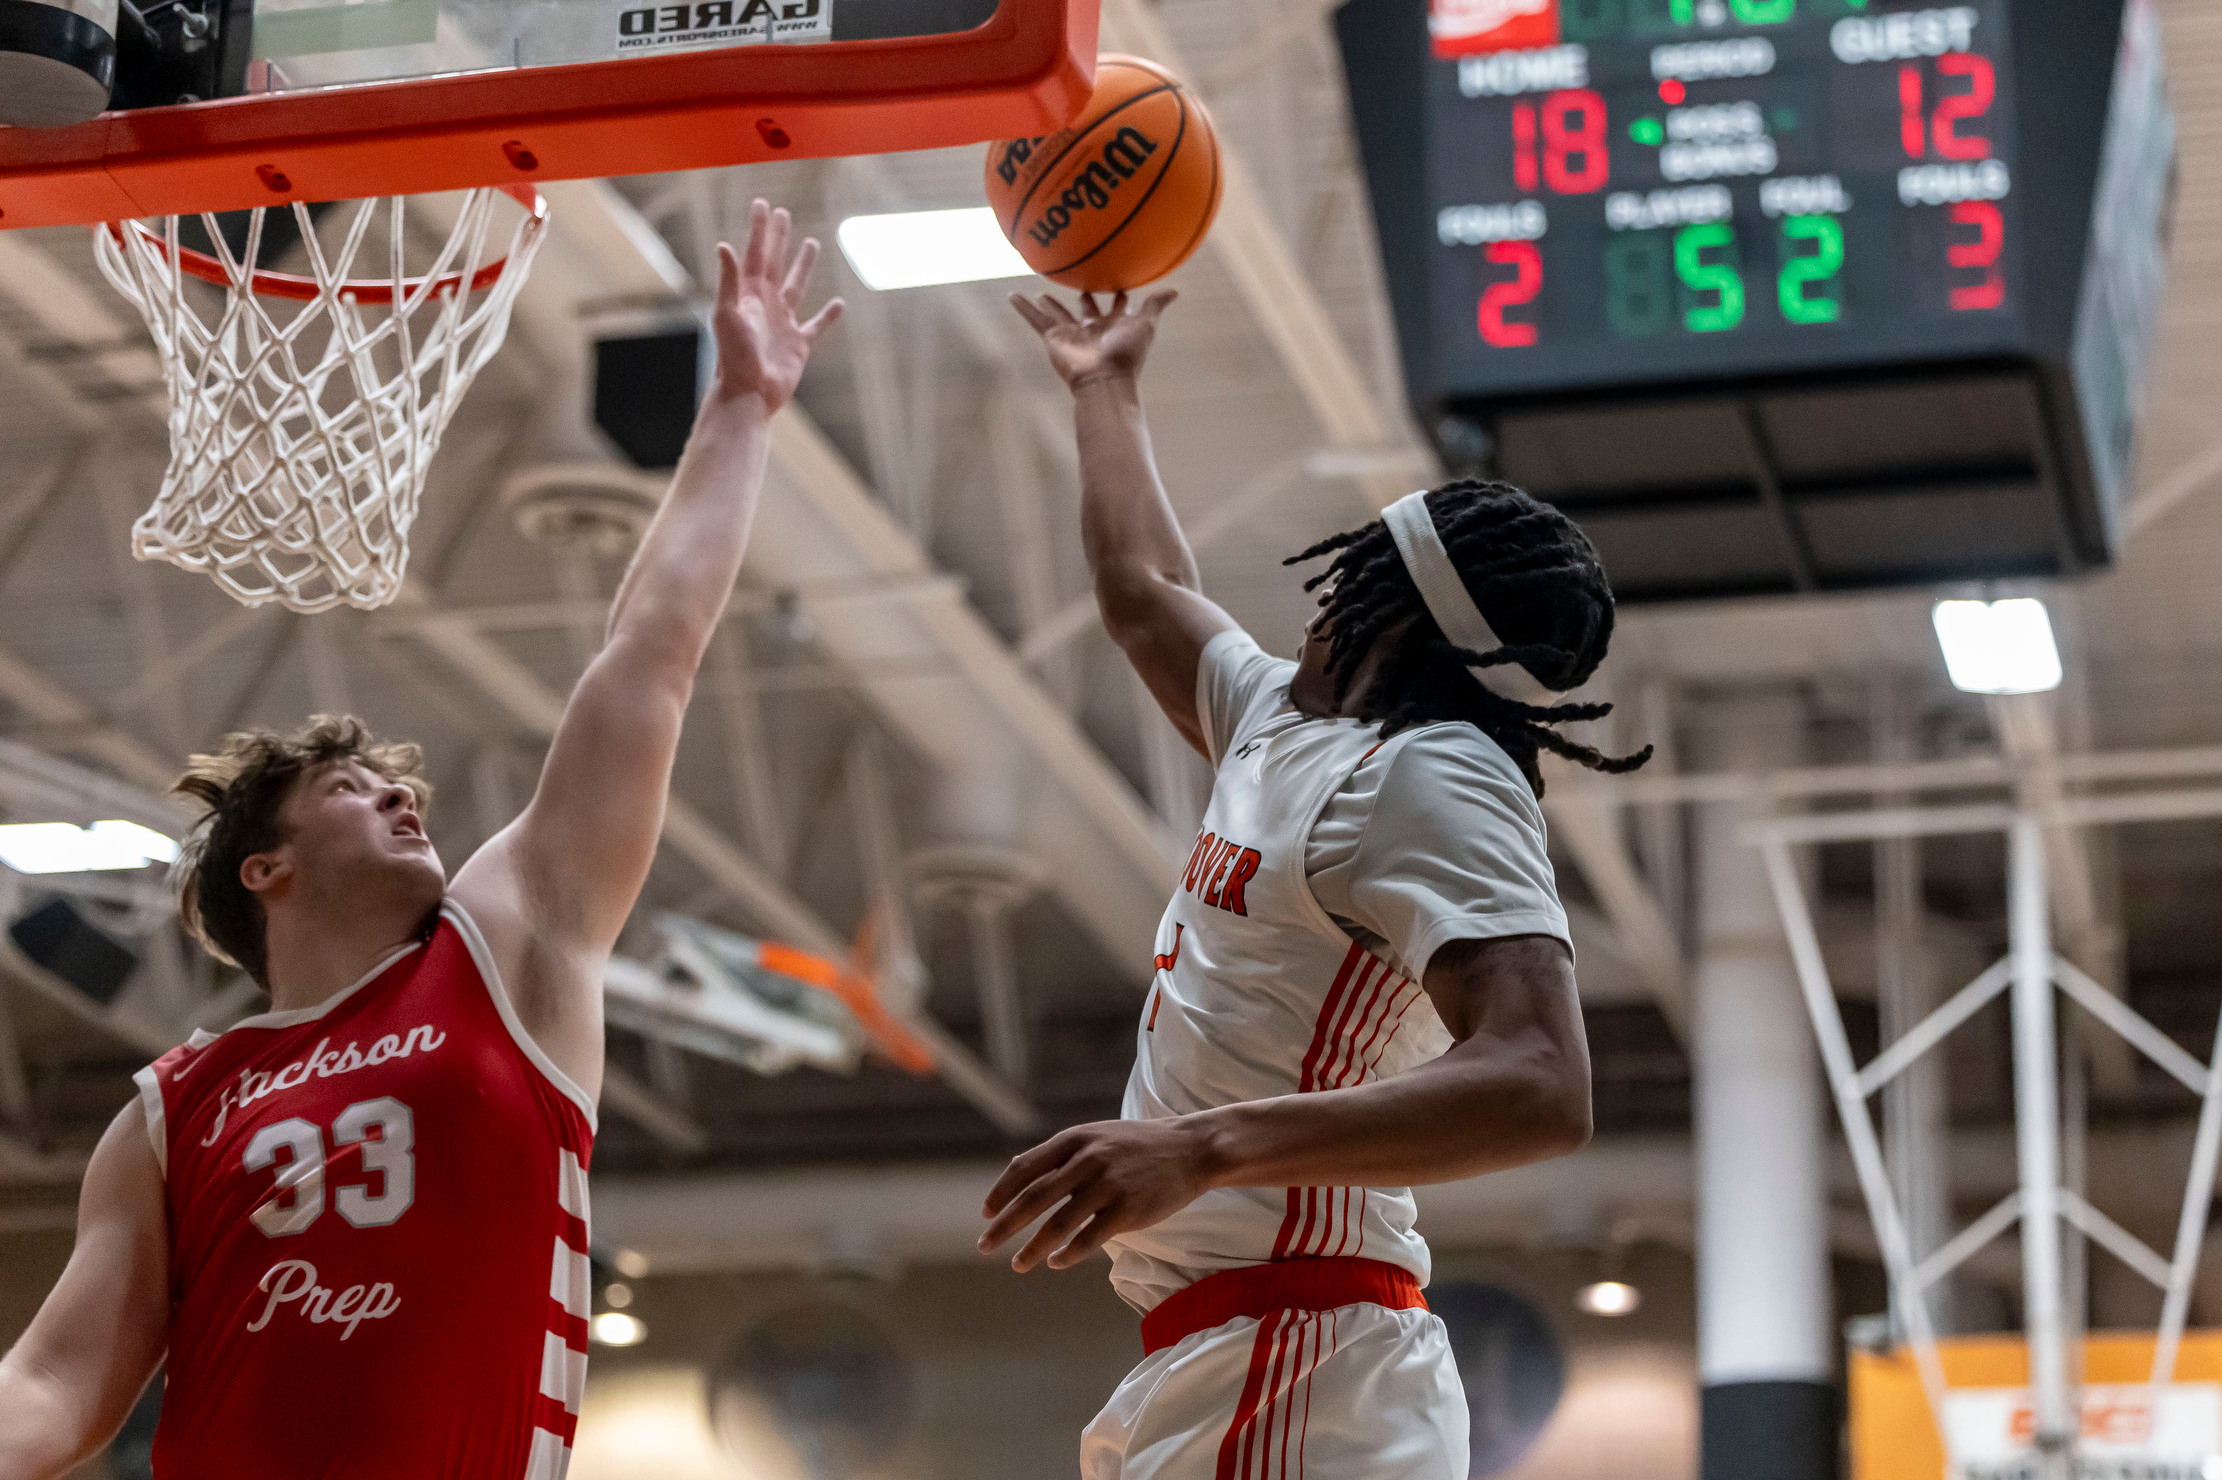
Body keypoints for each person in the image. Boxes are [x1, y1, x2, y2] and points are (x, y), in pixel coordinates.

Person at [0, 200, 841, 1480]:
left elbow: (646, 660)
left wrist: (739, 407)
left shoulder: (510, 945)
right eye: (350, 787)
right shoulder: (173, 1109)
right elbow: (58, 1385)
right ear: (263, 868)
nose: (405, 800)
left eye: (403, 791)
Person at [979, 289, 1649, 1479]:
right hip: (1239, 1349)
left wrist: (1202, 1149)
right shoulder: (1279, 714)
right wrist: (1100, 387)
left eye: (1362, 556)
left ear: (1383, 593)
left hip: (1298, 1346)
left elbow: (1543, 1080)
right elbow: (1139, 590)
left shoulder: (1431, 772)